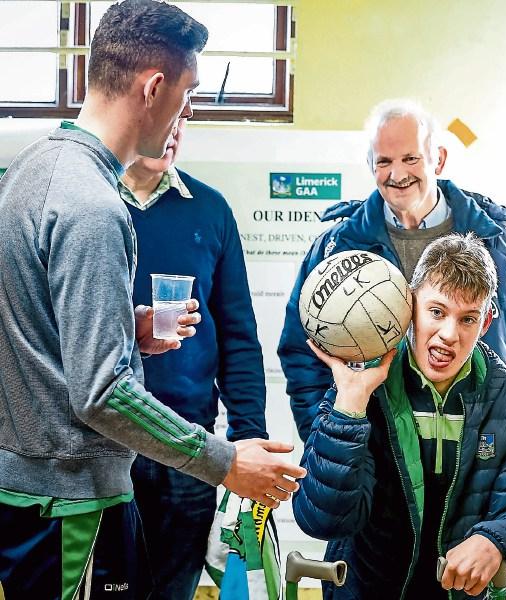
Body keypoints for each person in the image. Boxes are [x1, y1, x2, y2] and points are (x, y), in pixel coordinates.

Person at [0, 1, 303, 597]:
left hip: (31, 493)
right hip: (72, 504)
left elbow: (31, 333)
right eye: (187, 95)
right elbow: (103, 393)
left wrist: (122, 331)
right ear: (154, 87)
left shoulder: (30, 172)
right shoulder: (92, 206)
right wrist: (226, 462)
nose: (187, 112)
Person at [278, 99, 506, 441]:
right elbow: (302, 351)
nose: (398, 175)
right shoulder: (337, 247)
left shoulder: (499, 244)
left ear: (438, 159)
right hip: (373, 454)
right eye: (384, 161)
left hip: (482, 451)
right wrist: (328, 437)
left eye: (410, 158)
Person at [294, 233, 506, 599]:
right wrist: (349, 409)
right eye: (437, 312)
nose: (449, 334)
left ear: (485, 323)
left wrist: (496, 541)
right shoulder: (362, 390)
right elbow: (322, 519)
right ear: (410, 305)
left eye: (468, 319)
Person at [120, 117, 269, 599]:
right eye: (166, 115)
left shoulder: (210, 209)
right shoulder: (90, 203)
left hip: (191, 446)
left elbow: (238, 336)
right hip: (105, 445)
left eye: (183, 119)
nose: (174, 131)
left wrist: (250, 439)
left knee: (174, 590)